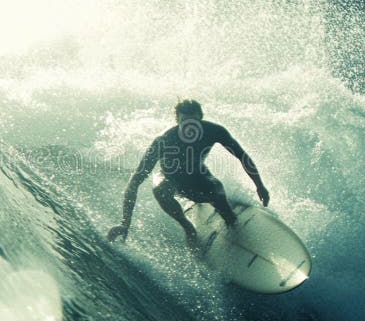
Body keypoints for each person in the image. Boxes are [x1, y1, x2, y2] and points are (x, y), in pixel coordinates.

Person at [107, 99, 270, 250]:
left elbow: (243, 157)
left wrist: (259, 185)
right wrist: (124, 223)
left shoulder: (214, 131)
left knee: (217, 192)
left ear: (201, 118)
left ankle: (232, 221)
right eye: (185, 121)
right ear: (177, 120)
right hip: (171, 178)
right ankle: (188, 228)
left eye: (195, 121)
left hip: (199, 176)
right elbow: (134, 181)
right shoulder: (164, 140)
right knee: (160, 190)